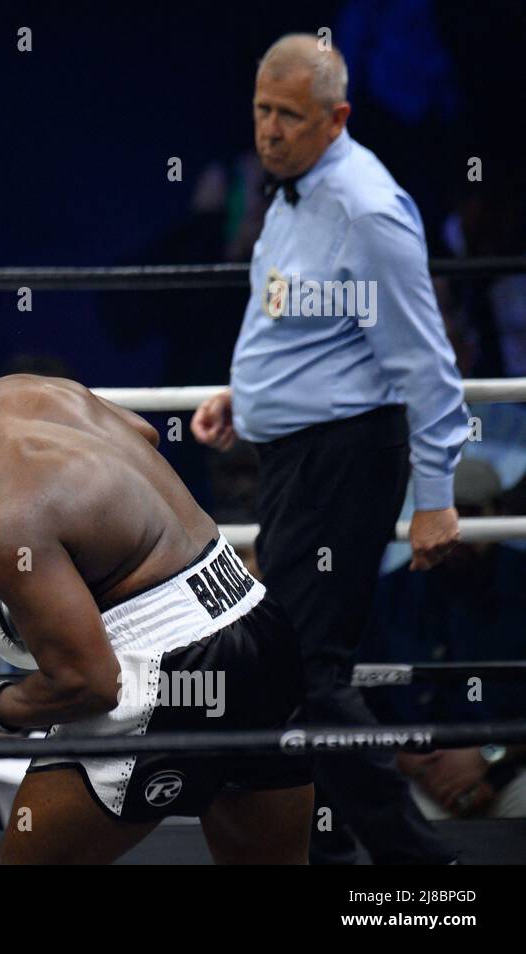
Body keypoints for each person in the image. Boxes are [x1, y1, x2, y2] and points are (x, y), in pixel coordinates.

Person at [0, 379, 312, 864]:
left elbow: (90, 686)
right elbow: (142, 433)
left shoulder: (3, 522)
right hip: (253, 617)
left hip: (169, 668)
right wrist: (84, 567)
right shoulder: (13, 392)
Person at [190, 34, 466, 864]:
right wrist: (251, 395)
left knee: (307, 670)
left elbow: (427, 362)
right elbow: (302, 319)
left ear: (337, 117)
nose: (270, 131)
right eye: (261, 111)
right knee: (293, 667)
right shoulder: (291, 192)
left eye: (290, 116)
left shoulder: (366, 209)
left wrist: (437, 494)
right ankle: (336, 848)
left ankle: (418, 864)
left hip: (343, 461)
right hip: (294, 457)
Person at [364, 458, 526, 820]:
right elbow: (359, 695)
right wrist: (408, 760)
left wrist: (490, 755)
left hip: (513, 767)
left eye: (470, 514)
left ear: (499, 514)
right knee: (396, 815)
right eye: (444, 514)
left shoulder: (520, 586)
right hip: (420, 774)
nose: (455, 531)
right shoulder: (389, 597)